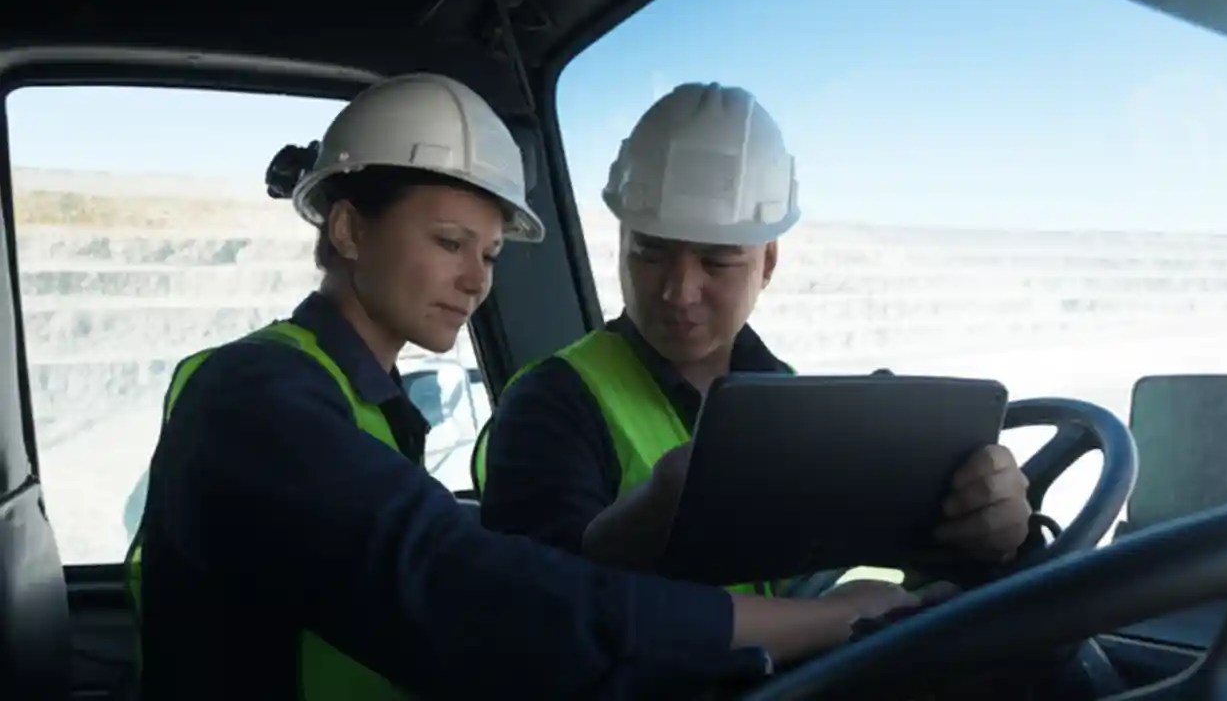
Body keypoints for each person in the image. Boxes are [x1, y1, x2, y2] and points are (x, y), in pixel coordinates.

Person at [123, 73, 928, 701]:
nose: (476, 280)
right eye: (448, 242)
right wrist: (826, 620)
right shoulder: (256, 398)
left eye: (491, 253)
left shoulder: (358, 402)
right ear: (347, 228)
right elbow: (477, 598)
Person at [474, 82, 1033, 594]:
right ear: (621, 242)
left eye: (717, 262)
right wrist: (658, 509)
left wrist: (991, 530)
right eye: (650, 252)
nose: (679, 291)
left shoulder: (792, 401)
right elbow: (545, 615)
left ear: (767, 264)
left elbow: (901, 559)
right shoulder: (550, 403)